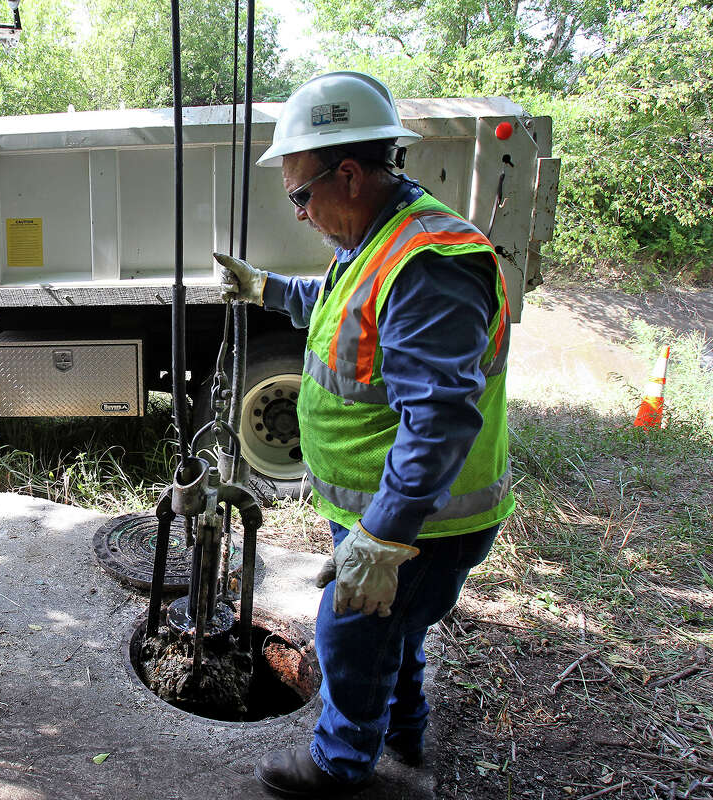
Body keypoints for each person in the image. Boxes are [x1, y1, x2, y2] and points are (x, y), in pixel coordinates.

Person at [216, 72, 514, 797]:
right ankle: (407, 734)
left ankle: (342, 768)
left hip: (420, 522)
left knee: (350, 632)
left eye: (300, 194)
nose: (299, 213)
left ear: (347, 173)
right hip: (390, 512)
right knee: (392, 629)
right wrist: (268, 289)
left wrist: (382, 539)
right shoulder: (381, 238)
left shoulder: (429, 264)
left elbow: (440, 417)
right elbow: (342, 301)